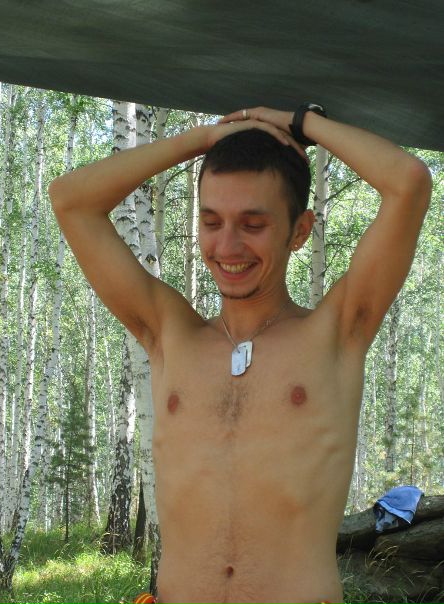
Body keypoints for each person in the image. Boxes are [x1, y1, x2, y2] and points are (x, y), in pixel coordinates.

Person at [49, 105, 431, 604]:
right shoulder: (169, 334)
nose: (228, 246)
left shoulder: (336, 333)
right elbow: (70, 199)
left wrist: (302, 124)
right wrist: (205, 139)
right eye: (211, 221)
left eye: (253, 224)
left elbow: (408, 182)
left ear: (300, 231)